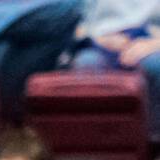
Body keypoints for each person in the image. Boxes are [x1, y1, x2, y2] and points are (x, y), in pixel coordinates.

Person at [68, 2, 160, 142]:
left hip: (152, 42)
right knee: (86, 64)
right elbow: (78, 25)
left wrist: (154, 44)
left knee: (154, 66)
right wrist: (99, 39)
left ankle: (154, 143)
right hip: (102, 42)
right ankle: (95, 144)